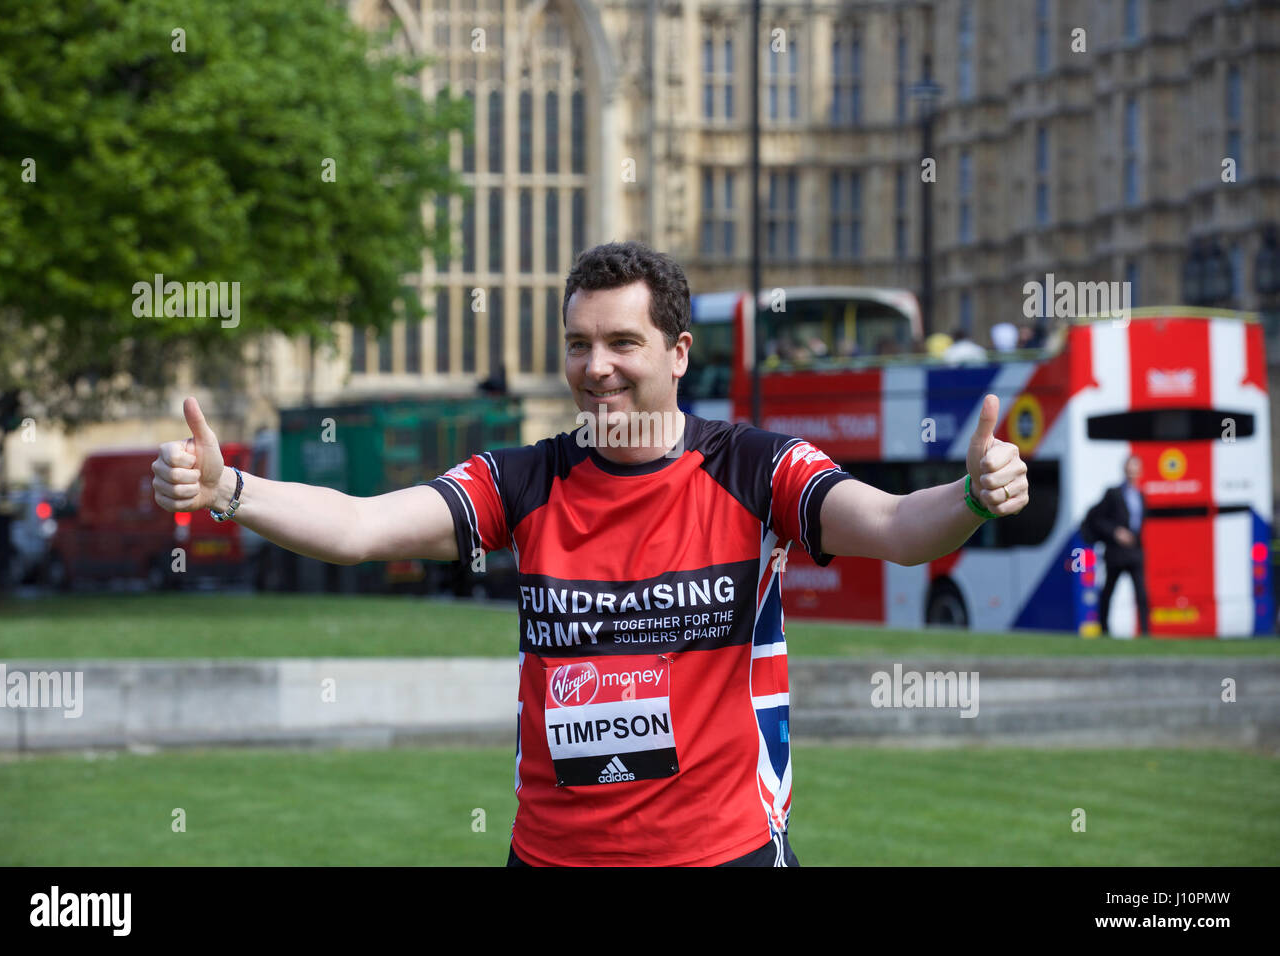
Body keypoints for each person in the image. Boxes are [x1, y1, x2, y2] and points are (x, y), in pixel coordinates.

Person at [151, 241, 1030, 867]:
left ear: (679, 354)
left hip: (720, 856)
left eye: (622, 343)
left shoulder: (756, 468)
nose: (596, 367)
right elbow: (360, 528)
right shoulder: (525, 480)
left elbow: (898, 531)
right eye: (579, 344)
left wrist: (970, 495)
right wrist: (231, 490)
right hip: (553, 858)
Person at [1088, 456, 1151, 636]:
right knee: (1108, 591)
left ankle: (1146, 632)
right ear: (1124, 471)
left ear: (1140, 472)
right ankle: (1104, 629)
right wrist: (1116, 532)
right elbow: (1097, 519)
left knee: (1141, 593)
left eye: (1135, 470)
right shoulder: (1113, 493)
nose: (1132, 473)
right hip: (1116, 553)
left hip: (1135, 553)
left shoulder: (1141, 495)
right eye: (1129, 470)